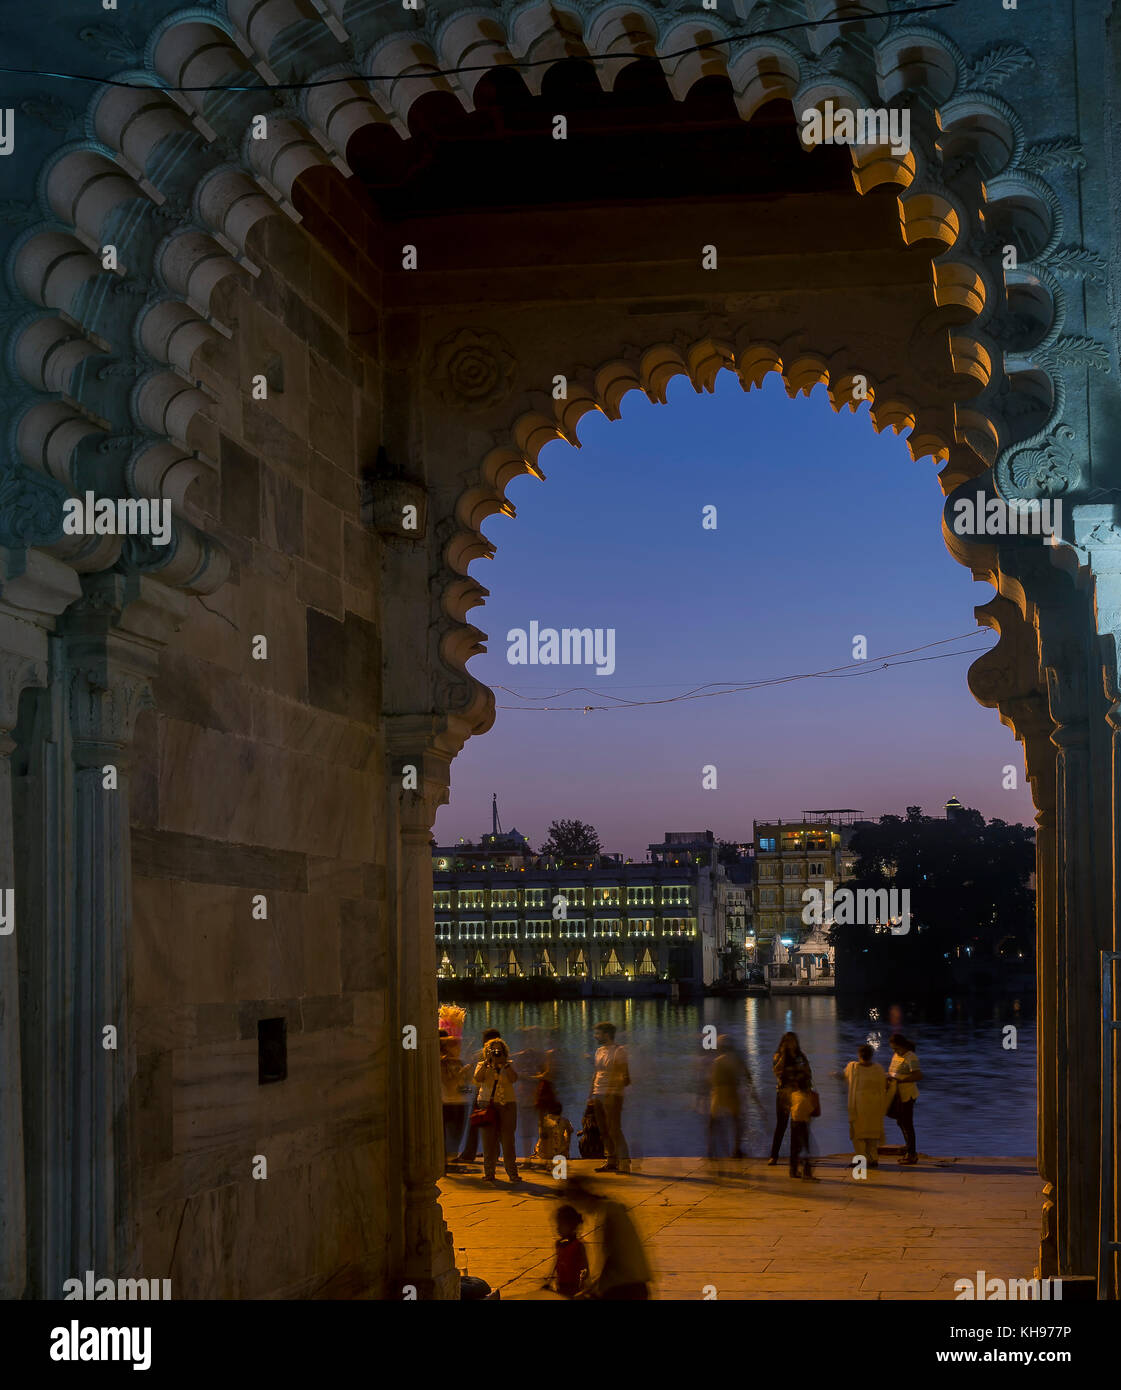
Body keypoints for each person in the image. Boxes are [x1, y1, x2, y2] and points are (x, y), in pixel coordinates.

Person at [566, 1179, 652, 1299]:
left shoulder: (607, 1213)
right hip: (632, 1282)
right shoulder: (609, 1208)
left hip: (626, 1287)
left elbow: (611, 1255)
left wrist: (592, 1289)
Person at [473, 1037, 521, 1182]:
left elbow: (514, 1079)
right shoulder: (482, 1064)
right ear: (487, 1052)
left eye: (499, 1050)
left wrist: (505, 1065)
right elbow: (478, 1078)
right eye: (493, 1050)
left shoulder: (509, 1065)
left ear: (504, 1051)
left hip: (507, 1104)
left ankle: (512, 1173)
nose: (496, 1052)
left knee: (508, 1140)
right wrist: (487, 1062)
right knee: (488, 1141)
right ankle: (489, 1173)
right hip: (486, 1104)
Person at [707, 1035, 761, 1160]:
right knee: (737, 1120)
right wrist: (754, 1097)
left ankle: (710, 1149)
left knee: (713, 1122)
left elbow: (712, 1079)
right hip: (731, 1091)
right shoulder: (736, 1059)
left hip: (718, 1092)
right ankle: (736, 1150)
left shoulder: (717, 1061)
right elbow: (747, 1076)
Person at [455, 1028, 501, 1164]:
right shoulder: (504, 1054)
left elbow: (472, 1077)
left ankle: (469, 1153)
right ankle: (494, 1154)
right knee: (496, 1125)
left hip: (482, 1094)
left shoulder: (480, 1055)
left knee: (475, 1124)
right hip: (498, 1094)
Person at [589, 1021, 631, 1173]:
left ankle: (625, 1162)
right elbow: (596, 1073)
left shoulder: (619, 1051)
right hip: (598, 1092)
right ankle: (611, 1160)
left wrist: (612, 1091)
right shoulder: (599, 1051)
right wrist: (590, 1094)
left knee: (614, 1128)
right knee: (603, 1129)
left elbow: (625, 1075)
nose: (595, 1036)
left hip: (613, 1093)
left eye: (598, 1033)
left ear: (606, 1034)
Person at [769, 1032, 812, 1165]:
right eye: (788, 1042)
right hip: (783, 1094)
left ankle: (795, 1156)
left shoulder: (801, 1056)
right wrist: (783, 1056)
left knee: (797, 1126)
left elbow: (808, 1073)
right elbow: (776, 1072)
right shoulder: (778, 1056)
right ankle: (774, 1156)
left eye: (793, 1041)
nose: (791, 1044)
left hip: (798, 1095)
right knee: (781, 1125)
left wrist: (807, 1089)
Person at [842, 1043, 888, 1168]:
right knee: (872, 1136)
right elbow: (883, 1085)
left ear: (859, 1055)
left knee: (858, 1136)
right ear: (871, 1055)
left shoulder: (853, 1067)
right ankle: (873, 1159)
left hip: (858, 1105)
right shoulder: (878, 1068)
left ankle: (861, 1160)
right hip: (874, 1105)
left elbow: (845, 1077)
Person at [887, 1033, 922, 1165]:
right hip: (896, 1095)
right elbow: (893, 1071)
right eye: (893, 1049)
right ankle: (909, 1149)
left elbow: (918, 1075)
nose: (895, 1051)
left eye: (896, 1049)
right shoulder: (896, 1055)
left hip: (907, 1095)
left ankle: (912, 1154)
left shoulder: (911, 1057)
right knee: (900, 1121)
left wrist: (901, 1080)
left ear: (902, 1046)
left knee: (907, 1124)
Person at [439, 1035, 472, 1170]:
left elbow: (465, 1086)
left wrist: (467, 1078)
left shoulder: (459, 1062)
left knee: (457, 1134)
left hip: (460, 1101)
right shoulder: (443, 1062)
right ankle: (446, 1162)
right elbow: (447, 1083)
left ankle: (453, 1161)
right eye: (455, 1045)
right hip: (447, 1102)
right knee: (448, 1134)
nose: (459, 1048)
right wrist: (461, 1074)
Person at [549, 1205, 589, 1298]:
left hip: (574, 1288)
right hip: (561, 1287)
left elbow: (586, 1268)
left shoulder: (578, 1245)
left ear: (571, 1226)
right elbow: (556, 1264)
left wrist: (583, 1282)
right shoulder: (559, 1245)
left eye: (560, 1225)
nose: (557, 1228)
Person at [788, 1074, 819, 1180]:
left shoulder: (794, 1095)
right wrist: (815, 1100)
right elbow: (816, 1113)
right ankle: (806, 1173)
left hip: (793, 1123)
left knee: (794, 1148)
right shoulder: (808, 1097)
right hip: (803, 1125)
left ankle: (793, 1170)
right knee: (806, 1149)